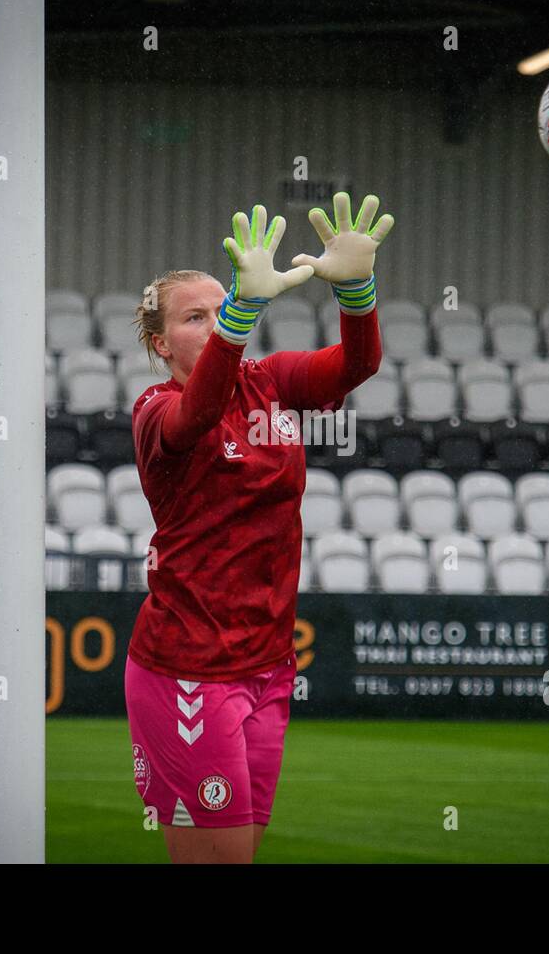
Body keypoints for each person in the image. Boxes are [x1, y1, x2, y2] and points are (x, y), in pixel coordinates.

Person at [125, 193, 395, 862]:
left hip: (269, 667)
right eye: (198, 316)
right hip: (190, 670)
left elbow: (355, 365)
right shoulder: (155, 409)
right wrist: (242, 315)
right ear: (161, 344)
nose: (217, 322)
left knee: (241, 851)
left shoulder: (269, 381)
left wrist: (357, 290)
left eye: (225, 306)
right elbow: (200, 411)